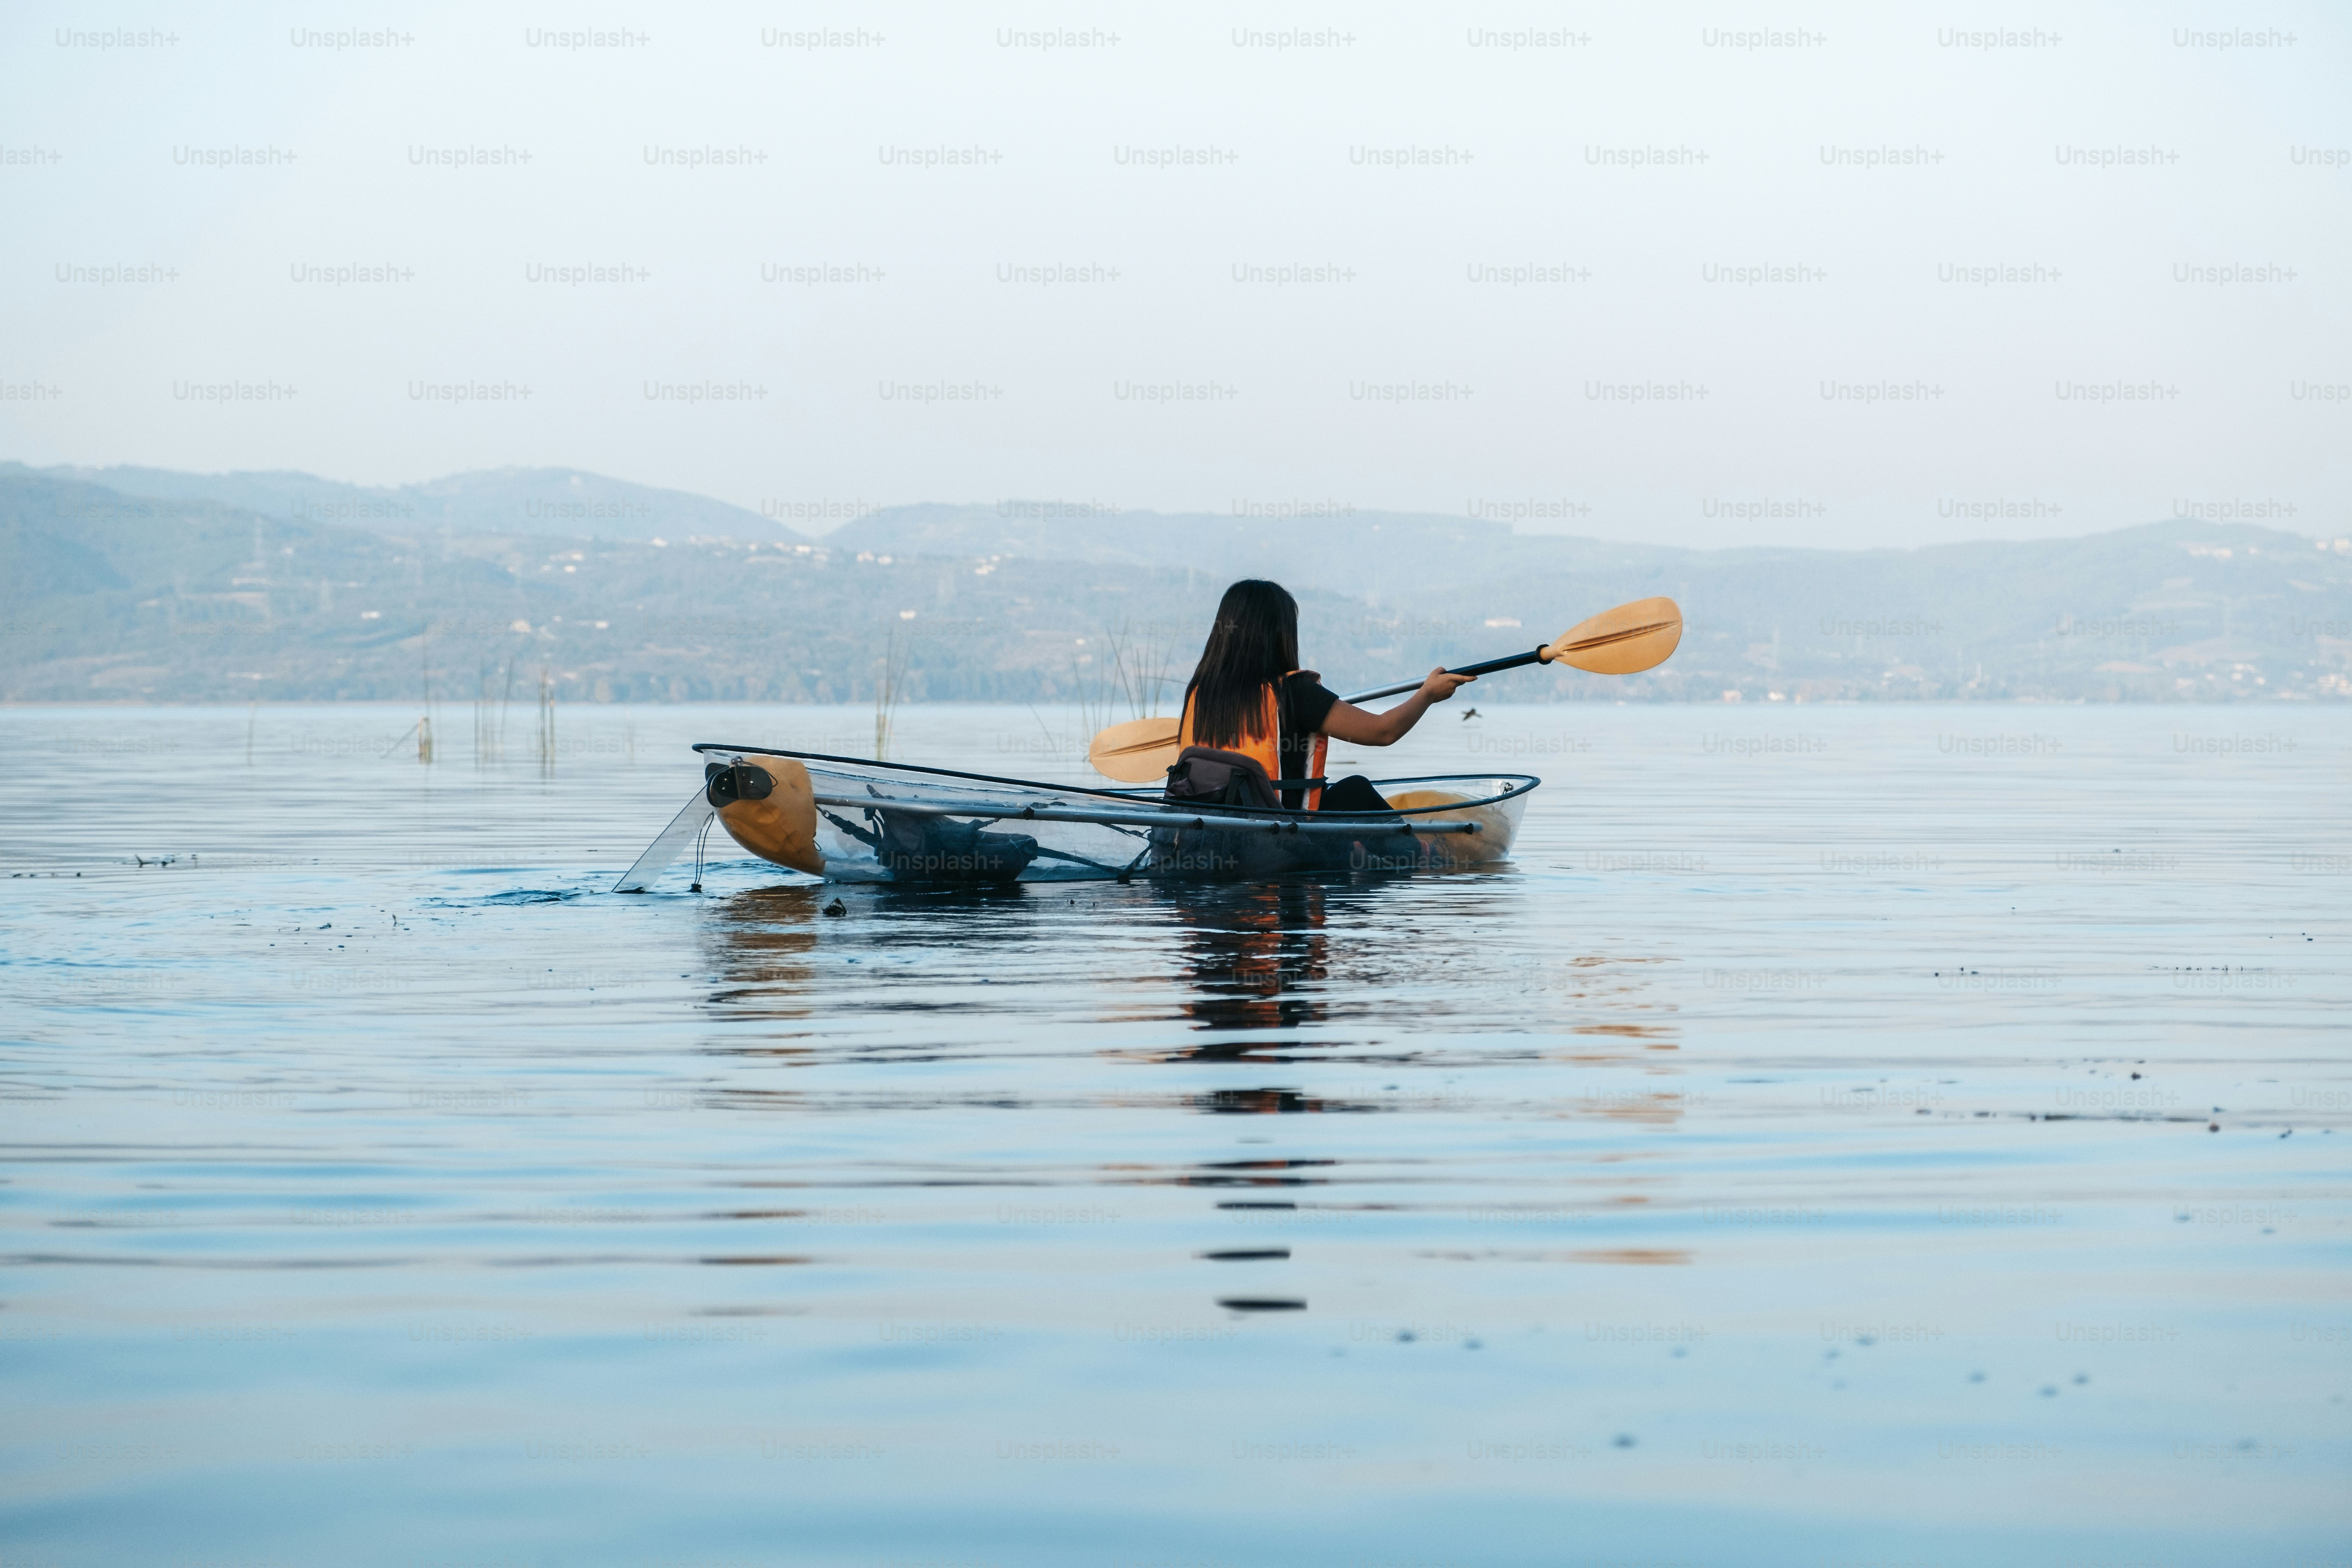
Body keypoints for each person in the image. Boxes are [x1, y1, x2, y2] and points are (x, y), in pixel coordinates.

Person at [1174, 579, 1473, 812]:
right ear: (1279, 634)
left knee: (1348, 793)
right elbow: (1383, 732)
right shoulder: (1294, 692)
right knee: (1356, 789)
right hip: (1278, 841)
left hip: (1210, 832)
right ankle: (1421, 852)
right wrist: (1427, 695)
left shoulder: (1200, 694)